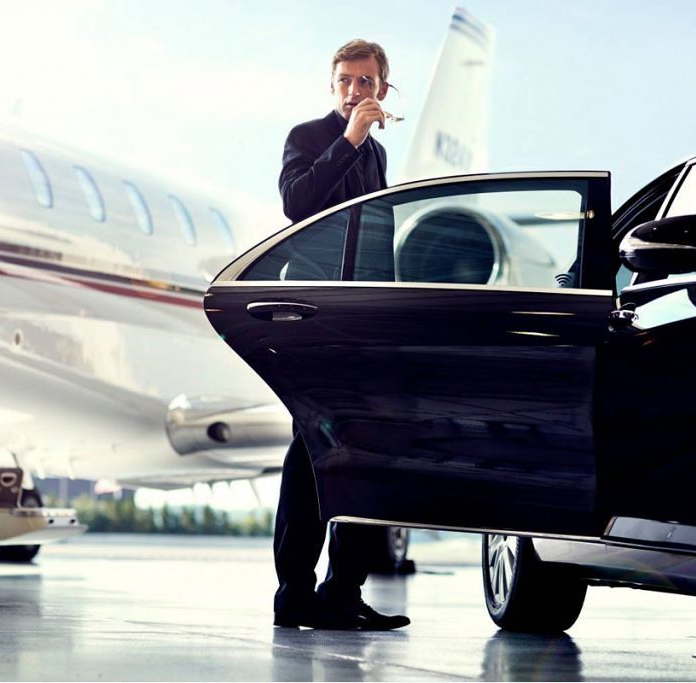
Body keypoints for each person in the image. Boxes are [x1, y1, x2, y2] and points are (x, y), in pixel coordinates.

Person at [272, 39, 410, 631]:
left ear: (384, 89)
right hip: (316, 317)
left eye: (368, 82)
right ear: (333, 85)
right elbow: (297, 204)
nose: (357, 91)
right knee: (311, 451)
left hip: (364, 320)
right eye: (347, 81)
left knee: (362, 451)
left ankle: (342, 591)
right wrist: (348, 139)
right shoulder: (308, 137)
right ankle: (295, 593)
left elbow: (376, 242)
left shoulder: (377, 158)